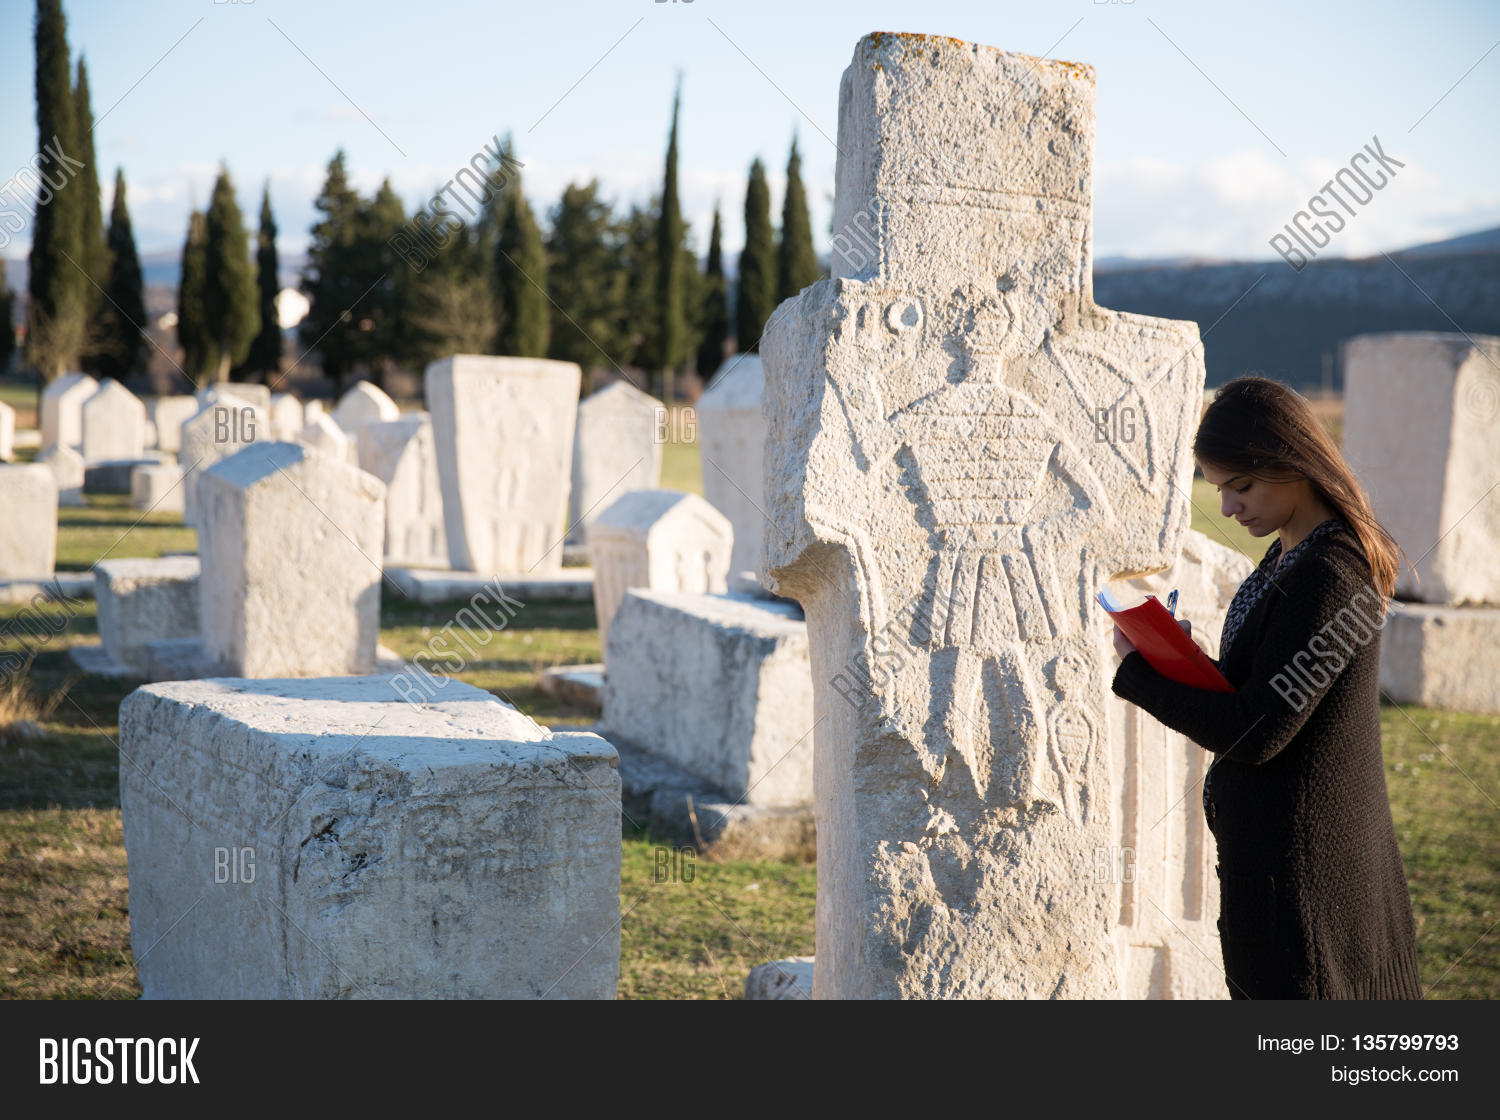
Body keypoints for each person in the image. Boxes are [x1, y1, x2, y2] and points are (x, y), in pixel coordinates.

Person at [1109, 375, 1422, 999]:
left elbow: (1257, 732)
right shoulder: (1288, 556)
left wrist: (1137, 677)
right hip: (1278, 870)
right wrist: (1181, 660)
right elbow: (1270, 691)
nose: (1227, 508)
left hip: (1309, 884)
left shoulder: (1336, 571)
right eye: (1220, 490)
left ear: (1292, 462)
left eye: (1241, 487)